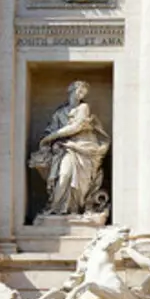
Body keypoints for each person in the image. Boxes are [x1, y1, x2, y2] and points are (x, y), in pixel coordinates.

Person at [31, 80, 109, 215]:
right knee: (64, 175)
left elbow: (76, 127)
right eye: (79, 91)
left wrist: (50, 138)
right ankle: (57, 208)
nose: (81, 95)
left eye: (83, 93)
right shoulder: (59, 113)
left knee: (78, 182)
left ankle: (73, 209)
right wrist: (50, 140)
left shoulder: (84, 108)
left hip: (82, 148)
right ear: (71, 91)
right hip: (64, 149)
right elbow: (50, 130)